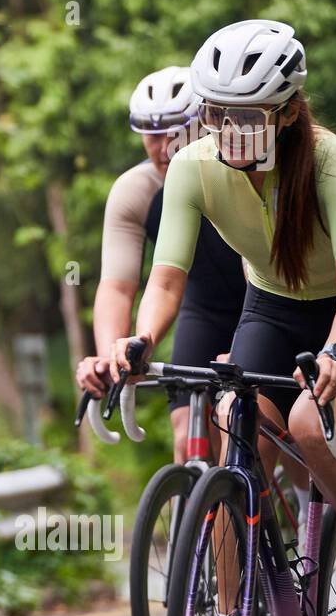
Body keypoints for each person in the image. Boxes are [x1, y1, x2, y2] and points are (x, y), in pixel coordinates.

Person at [111, 19, 336, 616]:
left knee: (310, 425)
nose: (227, 128)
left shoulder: (329, 159)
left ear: (287, 112)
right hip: (272, 310)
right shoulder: (193, 167)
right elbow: (165, 282)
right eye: (215, 114)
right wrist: (141, 342)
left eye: (245, 116)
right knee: (230, 427)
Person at [76, 66, 246, 463]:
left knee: (249, 427)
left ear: (204, 125)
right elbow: (118, 286)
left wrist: (245, 349)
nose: (163, 146)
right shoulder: (135, 191)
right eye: (152, 134)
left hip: (264, 305)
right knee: (187, 433)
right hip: (203, 310)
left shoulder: (236, 172)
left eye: (176, 131)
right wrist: (111, 356)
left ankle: (306, 511)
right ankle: (194, 521)